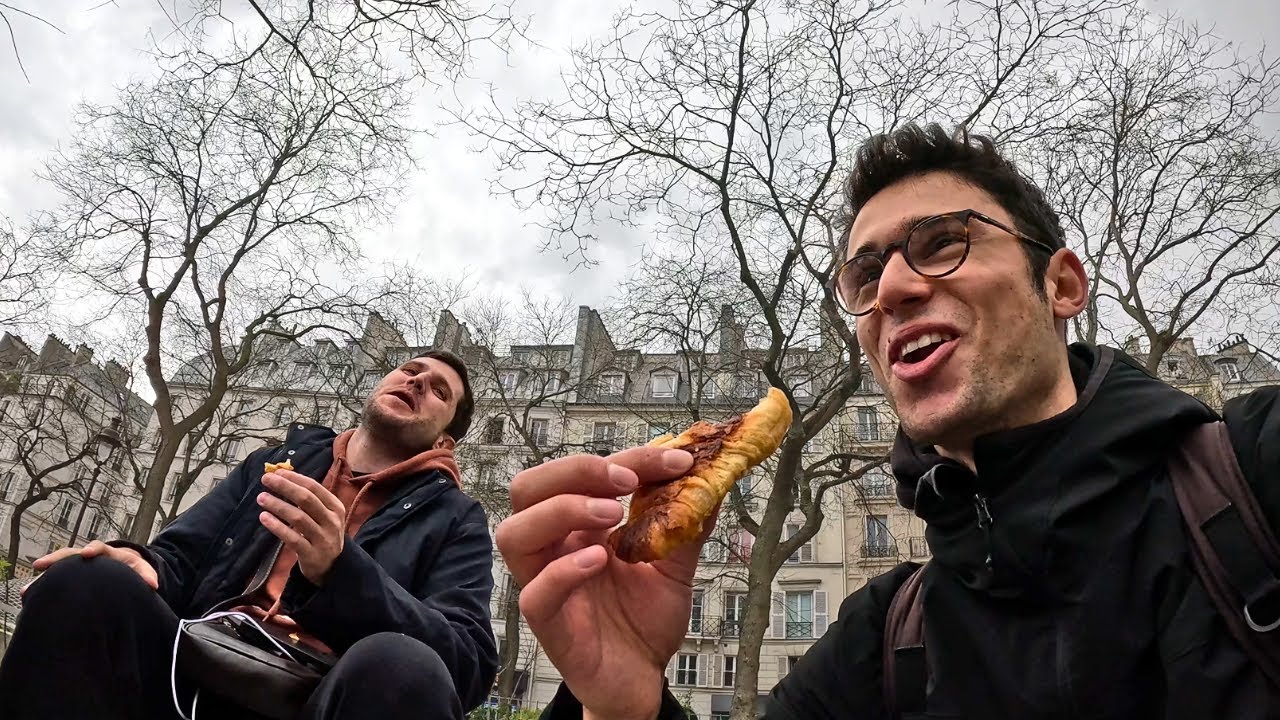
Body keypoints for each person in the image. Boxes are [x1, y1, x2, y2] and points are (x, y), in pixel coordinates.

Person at [495, 123, 1280, 718]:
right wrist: (624, 703)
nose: (894, 288)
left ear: (1062, 286)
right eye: (865, 274)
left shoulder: (1255, 475)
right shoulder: (883, 639)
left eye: (943, 242)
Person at [0, 349, 498, 720]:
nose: (417, 381)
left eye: (439, 391)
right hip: (192, 663)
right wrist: (145, 564)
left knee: (404, 664)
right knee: (87, 578)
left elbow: (467, 664)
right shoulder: (275, 461)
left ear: (445, 440)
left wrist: (340, 572)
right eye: (410, 370)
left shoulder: (457, 519)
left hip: (326, 696)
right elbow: (181, 558)